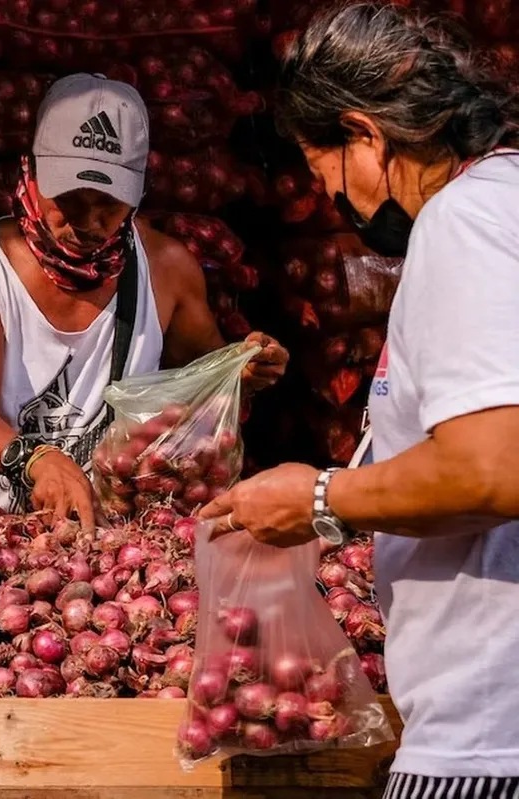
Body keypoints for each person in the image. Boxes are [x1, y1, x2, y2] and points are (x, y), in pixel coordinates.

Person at [199, 4, 519, 797]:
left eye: (327, 174)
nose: (336, 200)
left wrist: (319, 498)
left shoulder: (465, 220)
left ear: (365, 134)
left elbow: (493, 467)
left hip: (487, 739)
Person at [0, 74, 288, 528]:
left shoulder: (166, 269)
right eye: (69, 198)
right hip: (2, 530)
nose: (87, 221)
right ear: (31, 171)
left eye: (108, 203)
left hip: (125, 541)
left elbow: (202, 384)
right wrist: (35, 458)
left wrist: (240, 371)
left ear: (140, 192)